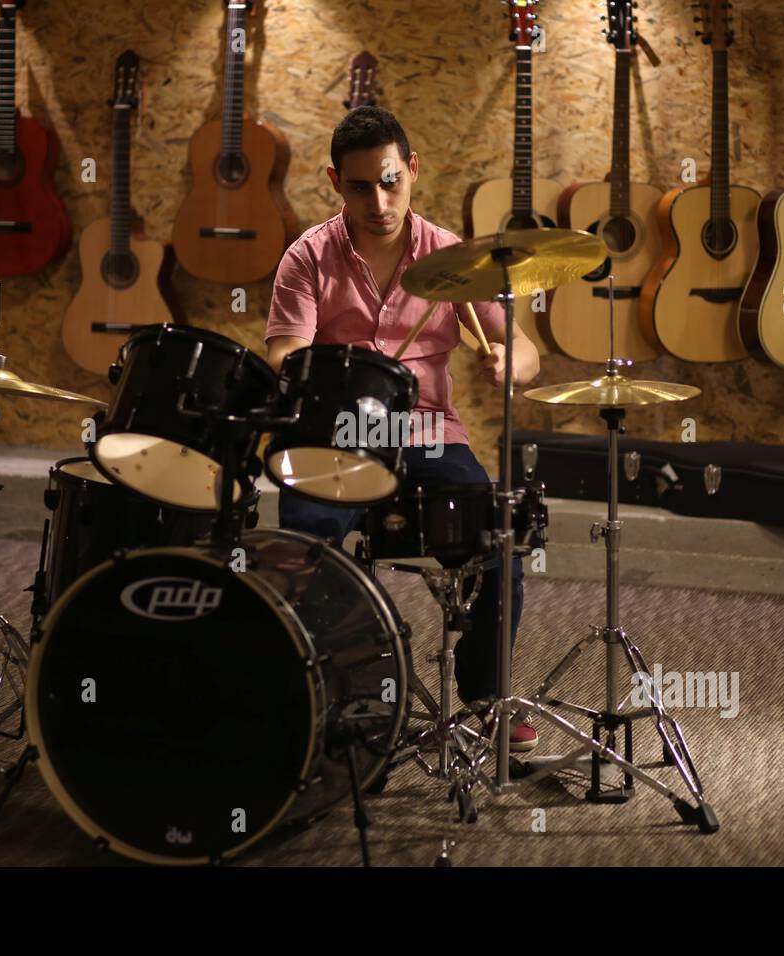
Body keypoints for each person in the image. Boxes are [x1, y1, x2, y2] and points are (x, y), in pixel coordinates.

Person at [264, 105, 541, 750]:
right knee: (308, 547)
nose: (379, 200)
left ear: (412, 170)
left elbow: (525, 351)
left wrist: (510, 364)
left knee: (497, 537)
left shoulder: (453, 257)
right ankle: (335, 695)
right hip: (338, 434)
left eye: (390, 181)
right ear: (337, 182)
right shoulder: (308, 257)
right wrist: (323, 370)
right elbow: (282, 356)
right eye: (360, 186)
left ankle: (484, 697)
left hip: (427, 434)